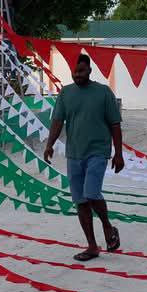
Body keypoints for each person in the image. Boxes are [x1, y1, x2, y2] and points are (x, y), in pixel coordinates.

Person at [43, 53, 124, 261]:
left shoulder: (104, 93)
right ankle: (92, 246)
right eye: (74, 71)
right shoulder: (65, 94)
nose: (77, 75)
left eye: (81, 71)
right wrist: (50, 144)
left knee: (91, 193)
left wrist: (118, 154)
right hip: (74, 154)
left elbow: (115, 124)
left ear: (89, 70)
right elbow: (57, 121)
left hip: (98, 152)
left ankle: (107, 226)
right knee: (80, 201)